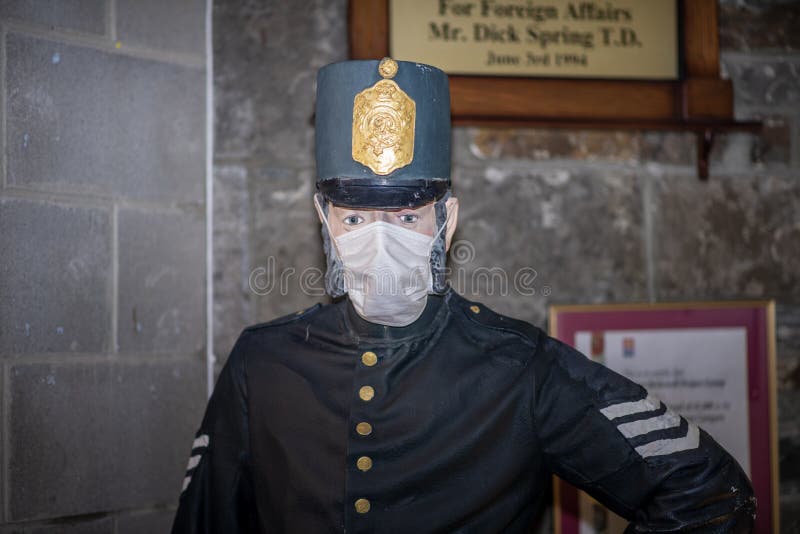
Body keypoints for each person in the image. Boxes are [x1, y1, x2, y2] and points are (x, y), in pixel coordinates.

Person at [172, 58, 755, 533]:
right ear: (323, 219)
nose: (379, 239)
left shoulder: (518, 366)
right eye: (354, 219)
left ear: (445, 223)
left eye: (405, 216)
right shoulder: (264, 362)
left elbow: (708, 491)